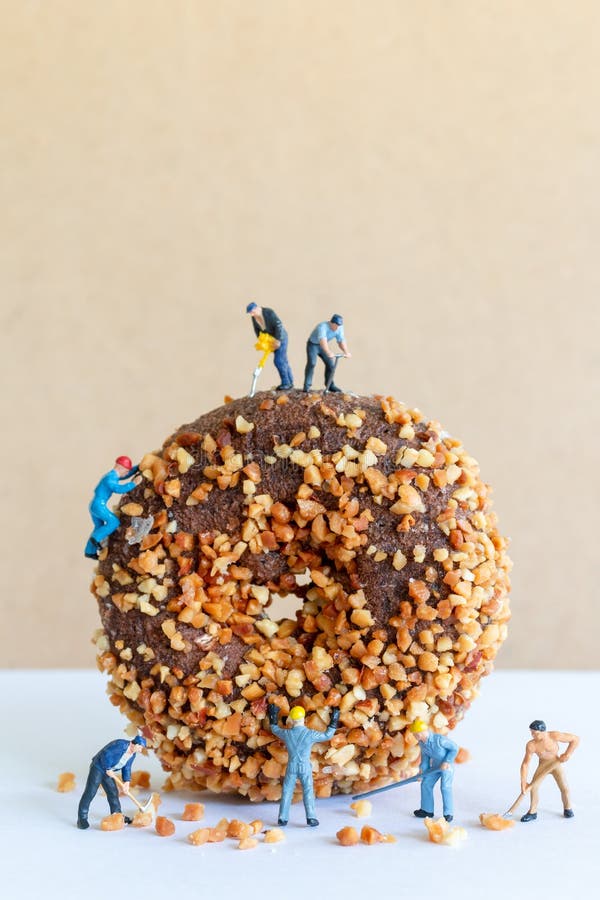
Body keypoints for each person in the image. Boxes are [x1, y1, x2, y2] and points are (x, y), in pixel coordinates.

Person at [268, 703, 339, 827]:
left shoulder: (287, 734)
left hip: (291, 766)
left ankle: (282, 818)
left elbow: (274, 729)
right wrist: (334, 720)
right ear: (304, 719)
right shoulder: (310, 734)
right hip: (305, 767)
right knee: (308, 791)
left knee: (287, 791)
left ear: (292, 720)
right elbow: (328, 735)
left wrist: (273, 715)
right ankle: (311, 817)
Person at [77, 735, 147, 829]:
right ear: (135, 744)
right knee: (90, 792)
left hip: (109, 772)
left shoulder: (132, 755)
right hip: (98, 768)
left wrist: (126, 782)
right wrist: (107, 767)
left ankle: (117, 815)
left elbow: (127, 768)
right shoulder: (120, 745)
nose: (141, 750)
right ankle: (82, 818)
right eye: (140, 747)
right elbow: (106, 754)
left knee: (113, 792)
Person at [518, 720, 579, 822]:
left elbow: (575, 739)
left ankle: (568, 808)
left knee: (564, 787)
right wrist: (523, 782)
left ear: (543, 731)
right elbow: (525, 764)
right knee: (533, 788)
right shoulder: (531, 745)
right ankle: (532, 812)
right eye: (531, 732)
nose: (533, 735)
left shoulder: (554, 735)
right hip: (543, 765)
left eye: (535, 733)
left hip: (556, 763)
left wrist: (567, 754)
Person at [84, 456, 139, 558]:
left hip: (94, 504)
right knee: (114, 522)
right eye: (126, 471)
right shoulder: (110, 478)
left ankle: (89, 551)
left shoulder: (113, 475)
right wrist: (133, 484)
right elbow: (117, 488)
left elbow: (124, 476)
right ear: (120, 467)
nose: (127, 473)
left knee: (99, 527)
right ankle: (96, 539)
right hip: (98, 505)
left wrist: (137, 468)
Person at [410, 718, 458, 822]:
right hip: (435, 767)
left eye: (415, 734)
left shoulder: (439, 740)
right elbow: (425, 759)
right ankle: (427, 810)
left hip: (446, 767)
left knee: (445, 787)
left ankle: (448, 813)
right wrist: (422, 773)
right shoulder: (422, 744)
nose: (414, 736)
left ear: (422, 732)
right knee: (426, 784)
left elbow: (454, 748)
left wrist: (447, 761)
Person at [246, 302, 293, 390]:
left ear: (257, 308)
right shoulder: (254, 318)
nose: (252, 314)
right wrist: (262, 341)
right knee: (284, 361)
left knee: (279, 361)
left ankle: (286, 383)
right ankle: (290, 381)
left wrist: (278, 340)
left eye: (252, 312)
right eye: (250, 313)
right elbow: (257, 330)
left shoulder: (269, 313)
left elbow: (278, 325)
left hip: (280, 338)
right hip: (270, 340)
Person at [303, 313, 351, 392]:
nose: (338, 327)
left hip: (323, 347)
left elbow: (341, 341)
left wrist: (346, 352)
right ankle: (307, 386)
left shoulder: (339, 328)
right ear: (332, 323)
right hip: (313, 345)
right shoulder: (322, 327)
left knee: (331, 365)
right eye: (336, 325)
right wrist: (328, 352)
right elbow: (323, 341)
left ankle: (330, 385)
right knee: (312, 363)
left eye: (339, 325)